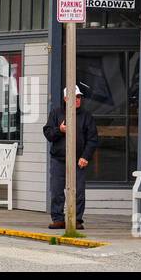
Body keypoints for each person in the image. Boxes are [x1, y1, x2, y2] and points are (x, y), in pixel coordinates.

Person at [42, 85, 98, 230]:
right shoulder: (56, 113)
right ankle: (58, 219)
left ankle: (76, 220)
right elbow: (48, 134)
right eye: (74, 97)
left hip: (78, 160)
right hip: (58, 158)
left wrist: (85, 157)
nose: (77, 100)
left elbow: (92, 139)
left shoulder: (87, 116)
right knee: (56, 190)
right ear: (66, 99)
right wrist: (59, 130)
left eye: (79, 97)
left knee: (79, 191)